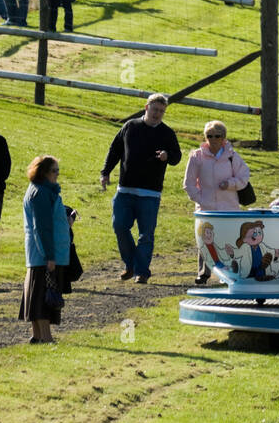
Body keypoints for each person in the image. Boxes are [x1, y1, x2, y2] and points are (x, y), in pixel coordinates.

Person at [100, 93, 182, 284]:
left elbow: (177, 157)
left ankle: (141, 272)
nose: (158, 114)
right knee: (119, 226)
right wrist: (105, 172)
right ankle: (130, 265)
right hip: (125, 190)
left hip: (150, 194)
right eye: (155, 110)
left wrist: (166, 156)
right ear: (147, 108)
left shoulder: (167, 133)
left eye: (162, 111)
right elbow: (115, 150)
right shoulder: (130, 126)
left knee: (146, 235)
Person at [183, 120, 251, 284]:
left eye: (217, 136)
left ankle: (227, 274)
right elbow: (189, 183)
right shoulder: (196, 156)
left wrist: (230, 184)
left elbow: (244, 177)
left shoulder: (232, 157)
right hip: (206, 208)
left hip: (229, 207)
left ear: (224, 138)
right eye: (209, 136)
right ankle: (203, 273)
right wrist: (201, 199)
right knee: (205, 241)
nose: (213, 139)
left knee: (228, 241)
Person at [21, 155, 71, 344]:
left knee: (36, 294)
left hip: (40, 253)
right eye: (54, 170)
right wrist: (49, 255)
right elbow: (41, 227)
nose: (57, 174)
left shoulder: (41, 190)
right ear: (43, 172)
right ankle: (46, 337)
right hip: (45, 253)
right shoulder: (41, 192)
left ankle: (38, 335)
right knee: (43, 295)